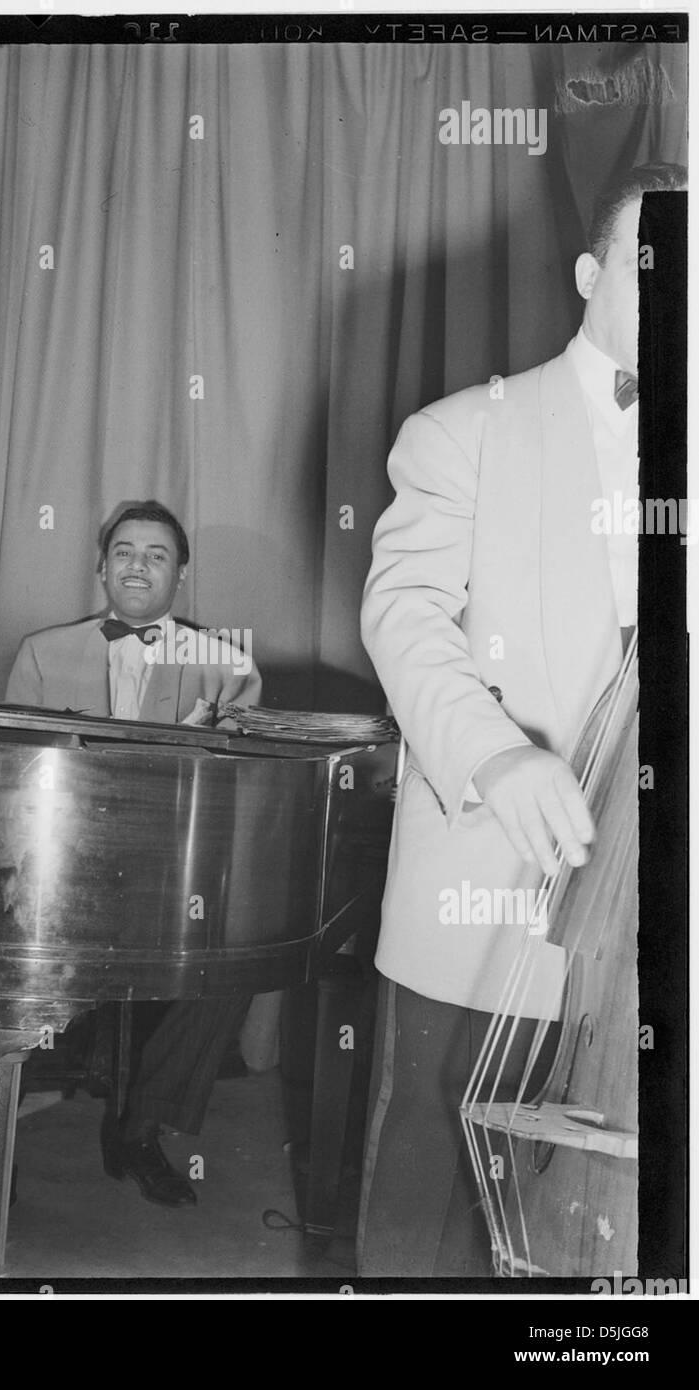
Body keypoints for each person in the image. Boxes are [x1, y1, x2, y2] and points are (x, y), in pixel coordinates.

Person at [357, 163, 685, 1275]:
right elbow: (401, 617)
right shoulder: (462, 433)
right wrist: (496, 756)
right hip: (486, 903)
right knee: (433, 1202)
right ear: (592, 272)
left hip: (650, 926)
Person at [4, 500, 261, 1206]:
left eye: (156, 554)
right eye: (123, 550)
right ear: (100, 565)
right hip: (61, 870)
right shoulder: (40, 653)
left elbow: (237, 785)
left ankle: (140, 1126)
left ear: (179, 573)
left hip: (172, 874)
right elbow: (10, 778)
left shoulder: (226, 663)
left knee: (230, 966)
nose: (137, 565)